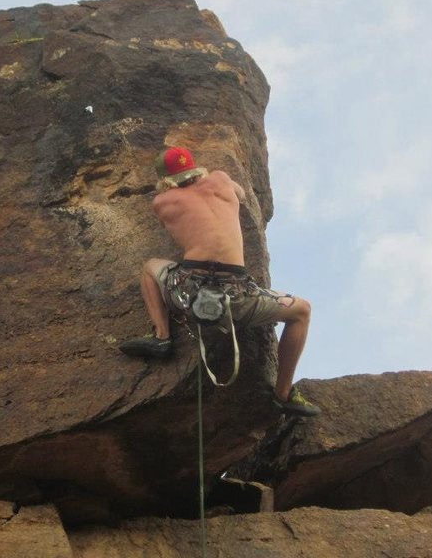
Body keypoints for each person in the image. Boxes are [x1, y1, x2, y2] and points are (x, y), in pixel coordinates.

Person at [120, 146, 320, 417]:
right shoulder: (221, 180)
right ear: (196, 168)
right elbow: (239, 192)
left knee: (150, 268)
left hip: (190, 292)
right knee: (302, 311)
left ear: (166, 180)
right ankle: (283, 394)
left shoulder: (163, 202)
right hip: (239, 297)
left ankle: (161, 337)